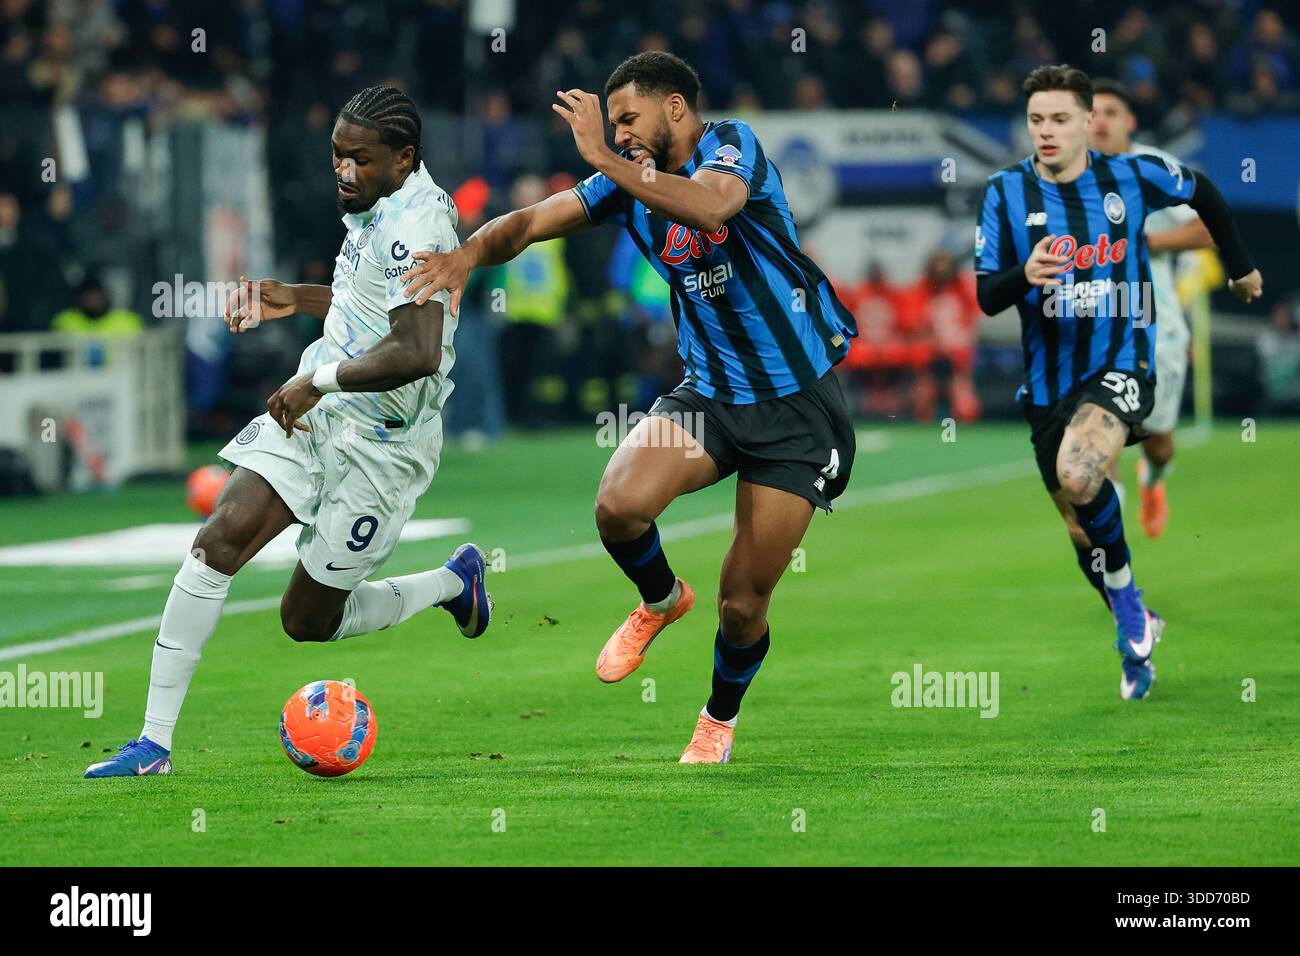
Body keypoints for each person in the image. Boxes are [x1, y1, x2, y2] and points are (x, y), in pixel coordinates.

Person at [403, 51, 858, 763]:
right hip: (710, 393)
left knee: (742, 603)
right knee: (617, 505)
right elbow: (528, 222)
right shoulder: (626, 183)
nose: (618, 136)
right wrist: (464, 258)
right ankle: (660, 598)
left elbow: (711, 206)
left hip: (797, 406)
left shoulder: (732, 145)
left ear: (675, 107)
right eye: (610, 126)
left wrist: (601, 158)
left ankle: (717, 717)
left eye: (627, 119)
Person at [85, 86, 491, 778]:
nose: (343, 172)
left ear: (404, 158)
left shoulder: (420, 229)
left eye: (358, 160)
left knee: (307, 619)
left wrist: (319, 380)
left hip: (383, 447)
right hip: (314, 413)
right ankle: (153, 744)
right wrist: (296, 300)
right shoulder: (375, 204)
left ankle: (453, 583)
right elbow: (370, 303)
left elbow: (417, 350)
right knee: (217, 541)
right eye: (337, 156)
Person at [974, 65, 1262, 701]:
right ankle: (1137, 633)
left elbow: (1207, 192)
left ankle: (1130, 607)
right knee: (1082, 528)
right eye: (1036, 120)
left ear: (1086, 123)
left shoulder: (1130, 177)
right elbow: (988, 297)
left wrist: (1241, 268)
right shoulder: (1003, 193)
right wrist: (1025, 272)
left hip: (1123, 364)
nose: (1047, 131)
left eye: (1060, 119)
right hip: (1048, 387)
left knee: (1081, 476)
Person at [1088, 78, 1216, 538]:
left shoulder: (1156, 166)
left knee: (1157, 442)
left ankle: (1154, 479)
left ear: (1130, 121)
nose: (1099, 121)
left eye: (1110, 113)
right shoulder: (1063, 175)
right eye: (1092, 113)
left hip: (1156, 329)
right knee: (1099, 440)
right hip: (1095, 330)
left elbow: (1207, 228)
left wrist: (1147, 242)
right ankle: (1109, 550)